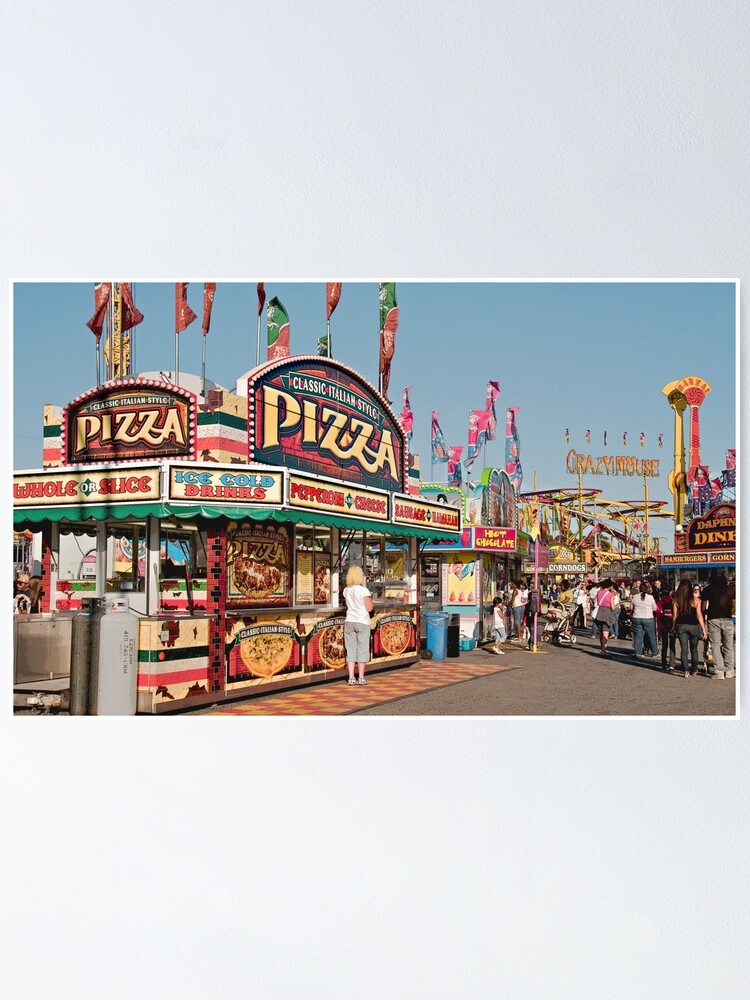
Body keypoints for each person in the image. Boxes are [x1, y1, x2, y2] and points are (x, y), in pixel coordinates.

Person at [342, 565, 373, 685]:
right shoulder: (363, 590)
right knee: (362, 649)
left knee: (350, 649)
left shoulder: (346, 590)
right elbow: (369, 608)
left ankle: (351, 677)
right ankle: (361, 677)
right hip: (362, 621)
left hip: (349, 621)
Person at [701, 572, 736, 679]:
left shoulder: (707, 589)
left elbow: (703, 606)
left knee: (715, 645)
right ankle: (729, 670)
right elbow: (734, 605)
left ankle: (719, 671)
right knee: (728, 645)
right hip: (727, 617)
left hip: (713, 617)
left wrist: (704, 614)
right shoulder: (730, 589)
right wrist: (730, 611)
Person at [672, 578, 708, 678]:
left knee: (684, 649)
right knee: (694, 648)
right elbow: (699, 615)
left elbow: (675, 616)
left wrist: (673, 626)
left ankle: (685, 670)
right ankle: (694, 668)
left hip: (681, 625)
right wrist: (704, 630)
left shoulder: (676, 601)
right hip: (693, 626)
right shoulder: (696, 600)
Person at [631, 581, 658, 659]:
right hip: (648, 618)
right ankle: (654, 652)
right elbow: (655, 608)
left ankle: (638, 652)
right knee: (651, 636)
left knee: (638, 636)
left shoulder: (635, 596)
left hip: (637, 618)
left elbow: (632, 607)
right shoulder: (650, 597)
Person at [591, 579, 616, 655]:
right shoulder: (610, 594)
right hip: (606, 612)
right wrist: (616, 606)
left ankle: (602, 647)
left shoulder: (599, 592)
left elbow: (596, 601)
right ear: (610, 586)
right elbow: (612, 607)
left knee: (601, 632)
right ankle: (604, 650)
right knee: (605, 631)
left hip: (599, 612)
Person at [655, 587, 677, 672]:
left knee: (664, 645)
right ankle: (672, 665)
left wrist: (658, 630)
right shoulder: (673, 602)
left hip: (663, 625)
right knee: (672, 645)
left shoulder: (660, 603)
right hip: (672, 625)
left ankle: (664, 664)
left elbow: (657, 615)